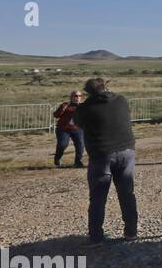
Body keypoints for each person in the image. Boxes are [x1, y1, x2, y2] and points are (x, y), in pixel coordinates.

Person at [73, 78, 138, 244]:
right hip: (127, 151)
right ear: (106, 87)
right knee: (127, 194)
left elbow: (77, 124)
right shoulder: (121, 100)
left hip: (101, 154)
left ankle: (96, 237)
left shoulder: (85, 108)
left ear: (87, 93)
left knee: (98, 198)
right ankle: (131, 232)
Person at [51, 90, 85, 168]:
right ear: (71, 97)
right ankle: (57, 158)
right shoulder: (65, 105)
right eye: (76, 96)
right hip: (63, 129)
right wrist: (62, 109)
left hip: (77, 129)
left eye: (79, 96)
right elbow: (56, 115)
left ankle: (77, 162)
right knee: (62, 145)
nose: (78, 98)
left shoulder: (84, 106)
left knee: (80, 145)